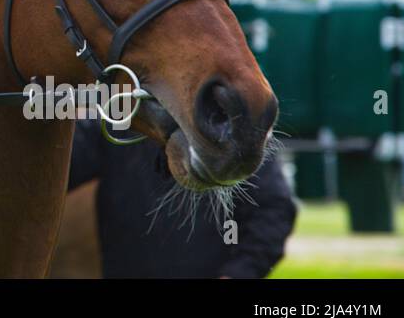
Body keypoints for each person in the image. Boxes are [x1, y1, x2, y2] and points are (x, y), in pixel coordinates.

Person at [65, 116, 298, 278]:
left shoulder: (230, 123)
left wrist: (239, 273)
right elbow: (62, 168)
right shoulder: (118, 123)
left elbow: (273, 208)